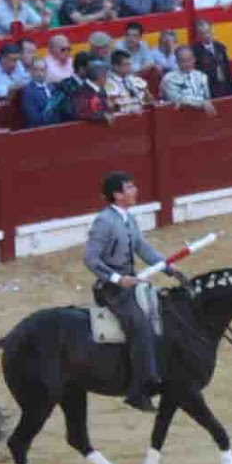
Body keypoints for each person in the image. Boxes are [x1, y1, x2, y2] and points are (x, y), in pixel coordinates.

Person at [83, 171, 173, 412]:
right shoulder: (104, 221)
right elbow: (90, 259)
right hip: (112, 288)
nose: (135, 191)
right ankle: (138, 389)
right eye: (130, 188)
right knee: (141, 324)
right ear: (117, 195)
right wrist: (117, 278)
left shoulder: (128, 219)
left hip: (129, 283)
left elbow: (142, 247)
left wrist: (166, 266)